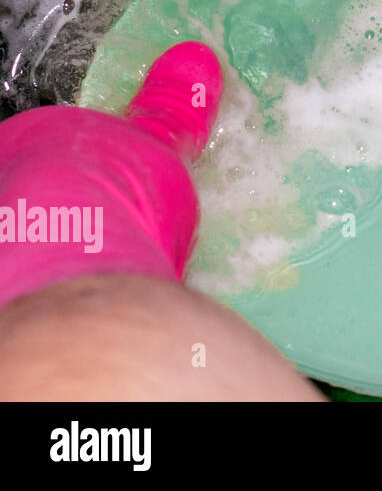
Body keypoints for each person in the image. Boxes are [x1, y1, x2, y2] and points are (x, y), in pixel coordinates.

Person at [0, 42, 320, 400]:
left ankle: (162, 126)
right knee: (147, 171)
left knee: (129, 168)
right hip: (123, 185)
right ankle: (164, 125)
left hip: (75, 167)